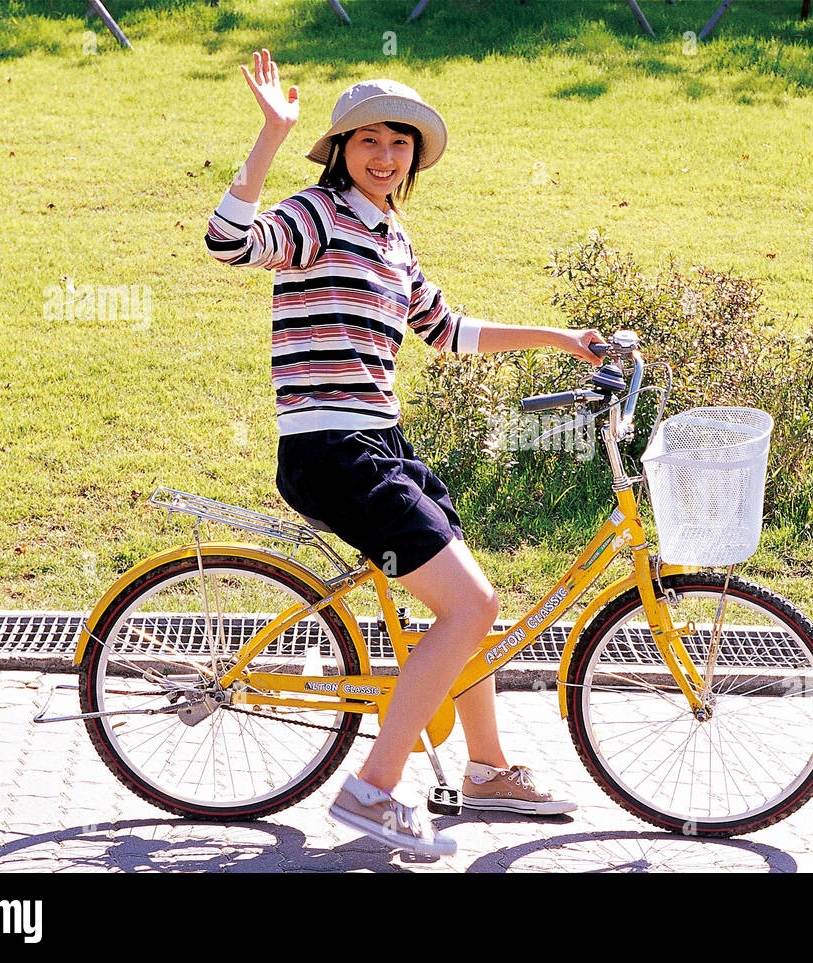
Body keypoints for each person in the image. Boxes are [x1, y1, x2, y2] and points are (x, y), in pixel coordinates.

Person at [204, 50, 606, 857]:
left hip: (380, 444)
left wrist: (565, 340)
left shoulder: (390, 235)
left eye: (399, 144)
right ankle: (371, 790)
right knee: (473, 605)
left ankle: (487, 770)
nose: (385, 156)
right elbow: (228, 243)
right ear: (342, 151)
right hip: (331, 449)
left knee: (465, 599)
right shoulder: (317, 214)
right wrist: (270, 136)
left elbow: (449, 331)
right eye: (367, 143)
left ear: (415, 156)